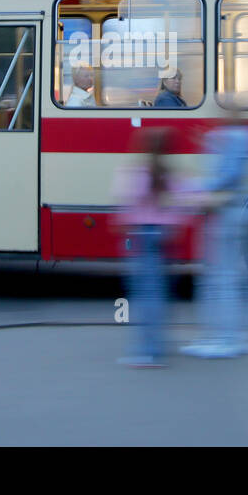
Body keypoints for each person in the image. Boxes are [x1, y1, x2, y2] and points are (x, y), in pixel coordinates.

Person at [181, 101, 248, 358]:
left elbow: (228, 176)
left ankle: (223, 340)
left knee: (221, 276)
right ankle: (241, 338)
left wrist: (198, 188)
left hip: (228, 211)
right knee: (246, 279)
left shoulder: (231, 136)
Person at [112, 127, 183, 368]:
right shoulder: (168, 173)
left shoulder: (137, 172)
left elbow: (126, 201)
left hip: (142, 235)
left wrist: (121, 224)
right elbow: (182, 203)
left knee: (143, 295)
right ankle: (157, 345)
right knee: (158, 294)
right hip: (162, 237)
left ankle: (147, 351)